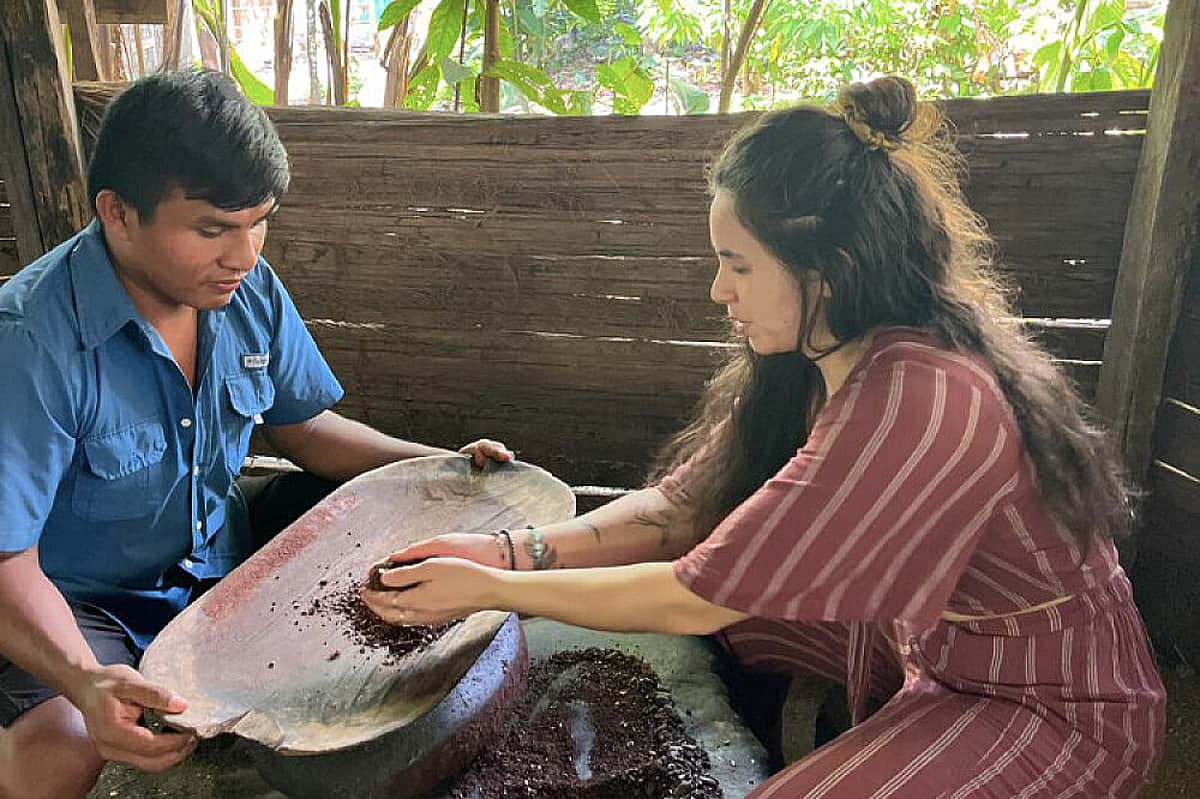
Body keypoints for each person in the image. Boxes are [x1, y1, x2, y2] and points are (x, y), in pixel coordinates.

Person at [364, 76, 1166, 798]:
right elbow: (679, 511)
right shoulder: (821, 351)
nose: (720, 291)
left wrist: (492, 592)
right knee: (719, 614)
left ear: (829, 270)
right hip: (924, 639)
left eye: (738, 265)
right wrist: (505, 552)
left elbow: (693, 592)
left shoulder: (921, 394)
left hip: (1045, 697)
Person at [0, 69, 510, 799]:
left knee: (396, 541)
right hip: (85, 602)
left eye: (258, 221)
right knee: (63, 752)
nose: (243, 254)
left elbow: (307, 429)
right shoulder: (28, 340)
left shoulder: (247, 288)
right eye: (211, 229)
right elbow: (6, 561)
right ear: (117, 213)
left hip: (222, 563)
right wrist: (83, 680)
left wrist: (438, 466)